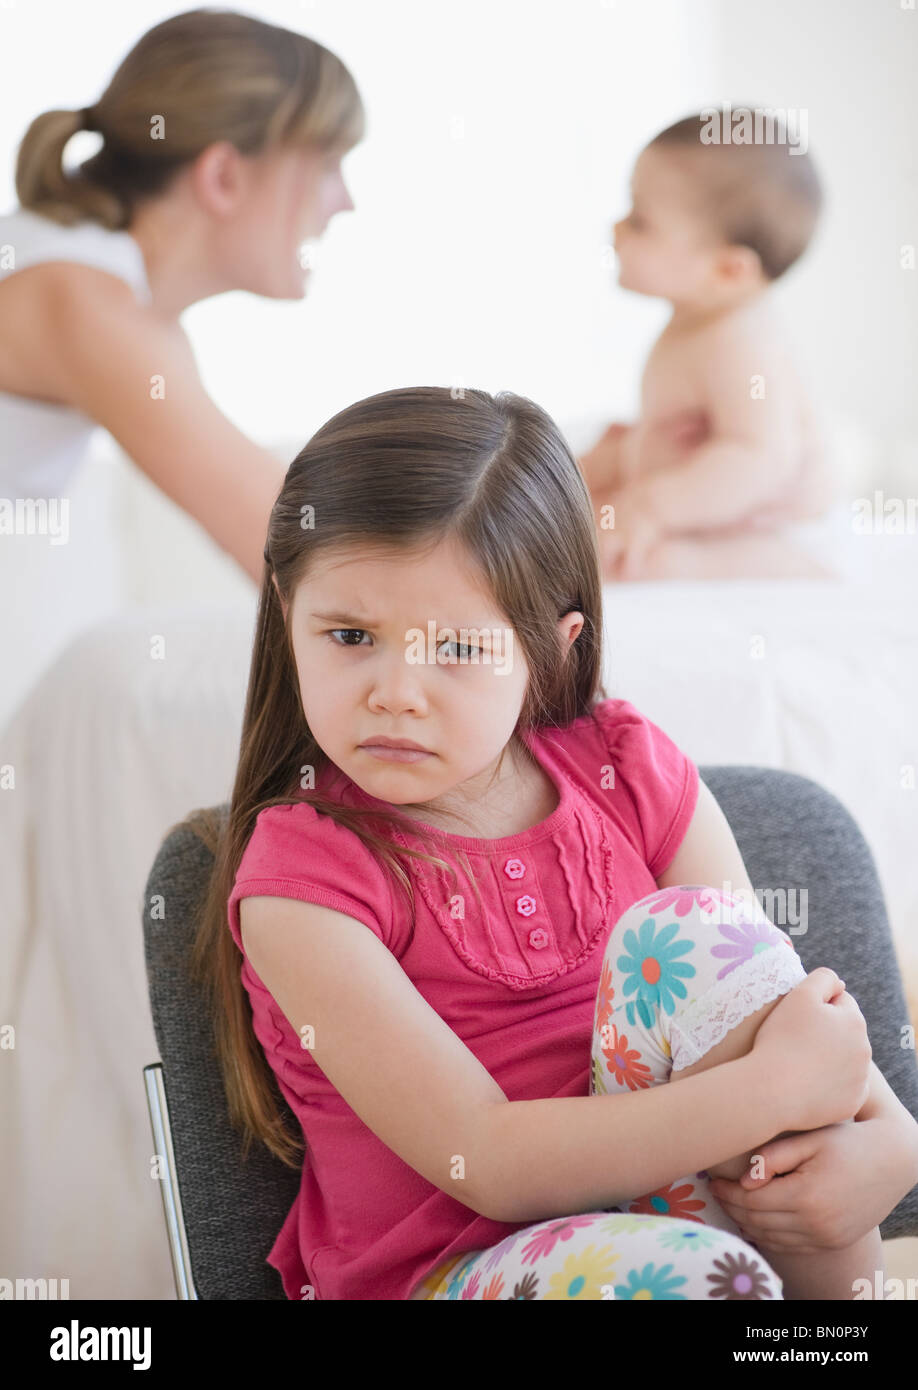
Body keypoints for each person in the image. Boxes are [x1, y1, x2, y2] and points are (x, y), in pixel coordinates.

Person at [184, 385, 918, 1301]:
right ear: (290, 614)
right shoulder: (303, 881)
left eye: (457, 648)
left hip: (680, 1221)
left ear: (553, 648)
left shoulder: (624, 765)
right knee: (692, 1276)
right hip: (452, 1273)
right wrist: (776, 1093)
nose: (397, 689)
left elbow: (776, 1005)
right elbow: (483, 1157)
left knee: (686, 933)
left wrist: (889, 1141)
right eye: (351, 635)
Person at [0, 8, 361, 727]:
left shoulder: (98, 291)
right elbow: (299, 552)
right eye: (325, 167)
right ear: (224, 175)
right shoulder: (84, 302)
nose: (346, 201)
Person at [578, 108, 839, 583]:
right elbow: (690, 424)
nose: (616, 230)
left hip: (762, 519)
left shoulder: (741, 342)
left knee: (629, 560)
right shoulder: (701, 314)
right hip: (704, 496)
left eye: (639, 221)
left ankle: (789, 569)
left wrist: (650, 506)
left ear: (728, 270)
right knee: (570, 501)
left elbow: (759, 459)